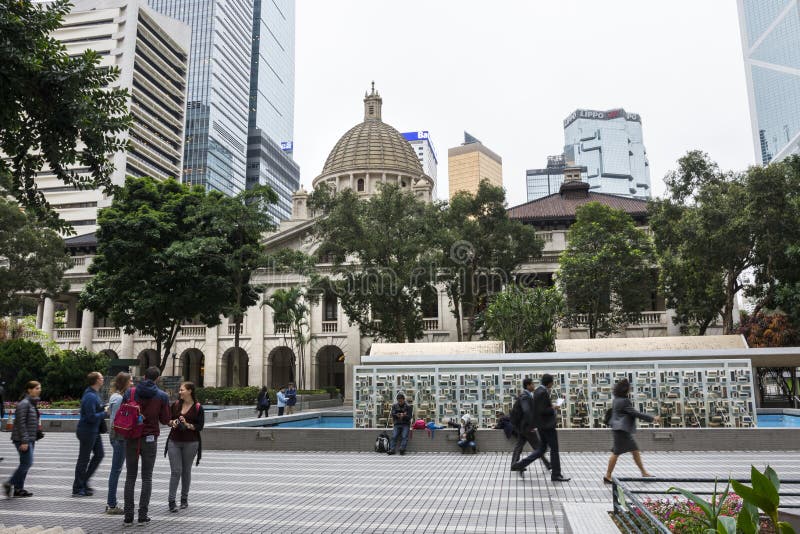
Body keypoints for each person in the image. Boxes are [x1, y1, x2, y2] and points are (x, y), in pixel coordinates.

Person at [122, 366, 171, 527]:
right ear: (157, 378)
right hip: (150, 439)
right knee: (147, 477)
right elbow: (165, 420)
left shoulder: (131, 392)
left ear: (143, 376)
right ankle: (142, 515)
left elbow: (123, 412)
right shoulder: (162, 396)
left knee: (130, 477)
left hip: (132, 438)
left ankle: (128, 516)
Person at [511, 373, 570, 482]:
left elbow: (538, 409)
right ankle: (556, 474)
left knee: (541, 449)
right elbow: (542, 410)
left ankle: (520, 464)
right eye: (552, 382)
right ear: (550, 382)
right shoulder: (543, 392)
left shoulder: (538, 391)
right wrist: (554, 408)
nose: (552, 384)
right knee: (554, 449)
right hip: (547, 426)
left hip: (541, 426)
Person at [604, 378, 661, 484]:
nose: (630, 389)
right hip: (621, 430)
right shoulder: (624, 401)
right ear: (625, 389)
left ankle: (643, 472)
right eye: (629, 387)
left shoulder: (616, 399)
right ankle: (608, 475)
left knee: (634, 451)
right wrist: (653, 418)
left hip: (619, 429)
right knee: (617, 453)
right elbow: (635, 413)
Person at [165, 381, 204, 512]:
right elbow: (168, 421)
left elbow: (200, 427)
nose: (179, 392)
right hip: (174, 441)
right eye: (180, 390)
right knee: (176, 471)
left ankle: (184, 499)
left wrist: (187, 424)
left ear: (190, 391)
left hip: (191, 442)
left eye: (182, 390)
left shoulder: (198, 407)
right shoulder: (175, 405)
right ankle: (171, 501)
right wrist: (173, 423)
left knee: (186, 471)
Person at [4, 380, 41, 498]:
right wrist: (24, 441)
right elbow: (20, 423)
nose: (39, 390)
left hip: (30, 438)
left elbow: (30, 421)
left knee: (24, 463)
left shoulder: (31, 403)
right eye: (36, 388)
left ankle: (18, 489)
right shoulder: (24, 404)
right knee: (27, 462)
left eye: (39, 388)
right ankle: (10, 483)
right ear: (29, 390)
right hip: (22, 439)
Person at [72, 371, 105, 497]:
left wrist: (103, 407)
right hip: (87, 431)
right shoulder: (90, 396)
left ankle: (84, 481)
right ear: (96, 380)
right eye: (101, 378)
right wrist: (104, 413)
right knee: (83, 460)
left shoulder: (94, 393)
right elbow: (90, 417)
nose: (103, 380)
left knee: (99, 454)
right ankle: (77, 487)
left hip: (94, 431)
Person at [511, 377, 551, 471]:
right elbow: (527, 411)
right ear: (528, 385)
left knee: (519, 445)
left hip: (523, 426)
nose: (534, 386)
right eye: (532, 384)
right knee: (538, 447)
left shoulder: (526, 395)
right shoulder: (525, 396)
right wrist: (532, 425)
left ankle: (514, 464)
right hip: (527, 426)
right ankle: (548, 464)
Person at [106, 372, 131, 514]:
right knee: (116, 470)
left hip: (114, 436)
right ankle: (112, 504)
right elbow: (118, 419)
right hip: (119, 437)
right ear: (125, 383)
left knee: (115, 470)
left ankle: (111, 502)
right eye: (130, 381)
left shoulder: (114, 396)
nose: (132, 383)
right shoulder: (120, 398)